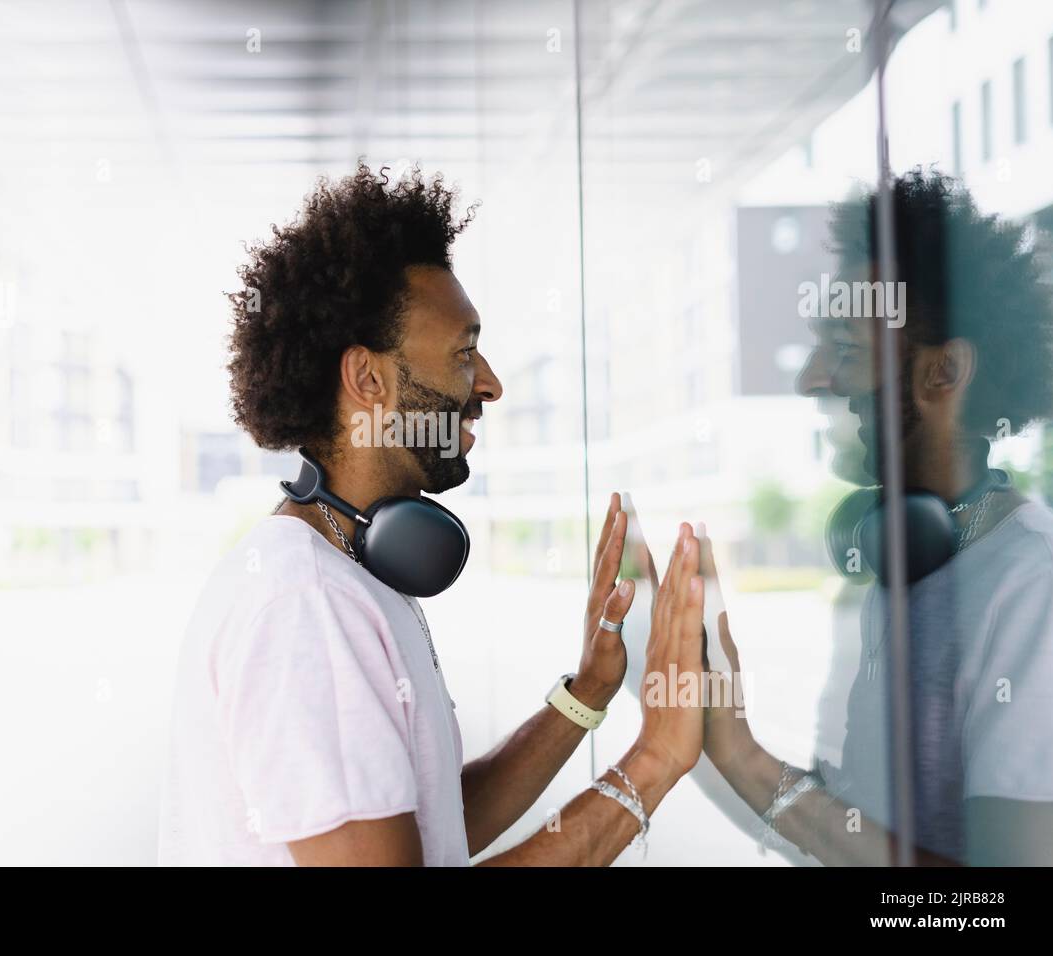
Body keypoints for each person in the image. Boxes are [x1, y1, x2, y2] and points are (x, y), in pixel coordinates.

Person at [157, 164, 705, 866]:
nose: (490, 383)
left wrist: (588, 691)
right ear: (367, 380)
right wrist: (653, 761)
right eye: (463, 352)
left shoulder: (341, 570)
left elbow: (430, 826)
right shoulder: (308, 606)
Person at [701, 169, 1053, 865]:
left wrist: (740, 755)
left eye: (847, 349)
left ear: (942, 374)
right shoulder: (908, 563)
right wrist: (702, 733)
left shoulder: (1033, 590)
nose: (810, 377)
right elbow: (854, 833)